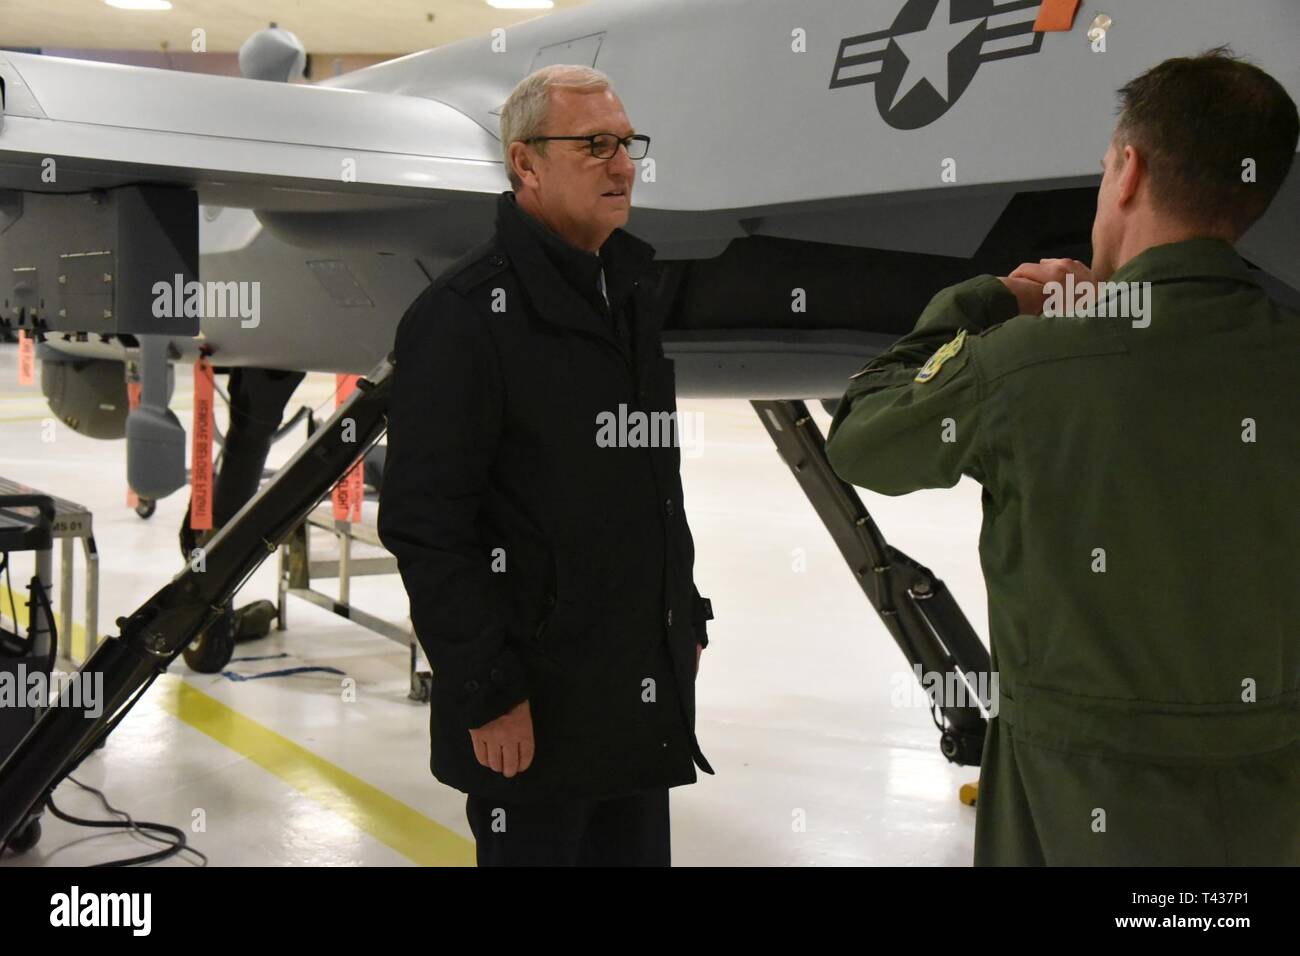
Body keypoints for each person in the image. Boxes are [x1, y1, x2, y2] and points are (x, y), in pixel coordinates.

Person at [825, 48, 1300, 865]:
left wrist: (992, 302)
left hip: (1069, 802)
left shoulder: (1024, 364)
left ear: (1128, 170)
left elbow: (864, 441)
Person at [377, 64, 713, 867]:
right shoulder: (462, 319)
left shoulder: (627, 293)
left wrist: (684, 614)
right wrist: (485, 691)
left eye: (626, 144)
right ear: (525, 163)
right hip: (529, 709)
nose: (622, 165)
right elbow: (426, 527)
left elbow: (650, 486)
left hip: (635, 687)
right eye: (594, 145)